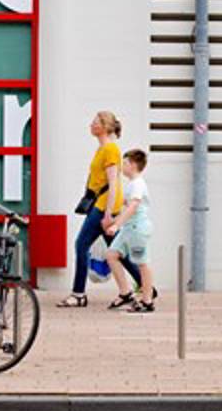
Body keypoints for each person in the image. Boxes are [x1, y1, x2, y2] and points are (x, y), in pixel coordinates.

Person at [58, 111, 142, 308]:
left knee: (81, 245)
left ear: (104, 126)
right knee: (117, 250)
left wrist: (107, 214)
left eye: (95, 122)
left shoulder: (111, 150)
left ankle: (78, 294)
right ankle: (146, 286)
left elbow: (114, 183)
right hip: (100, 204)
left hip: (103, 207)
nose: (91, 124)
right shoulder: (102, 149)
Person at [104, 149, 155, 313]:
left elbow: (133, 206)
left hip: (137, 229)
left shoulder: (138, 184)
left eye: (125, 163)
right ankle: (125, 293)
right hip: (128, 229)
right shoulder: (132, 184)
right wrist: (114, 220)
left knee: (142, 263)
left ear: (133, 165)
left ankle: (147, 301)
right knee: (111, 255)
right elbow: (127, 207)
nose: (122, 166)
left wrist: (116, 225)